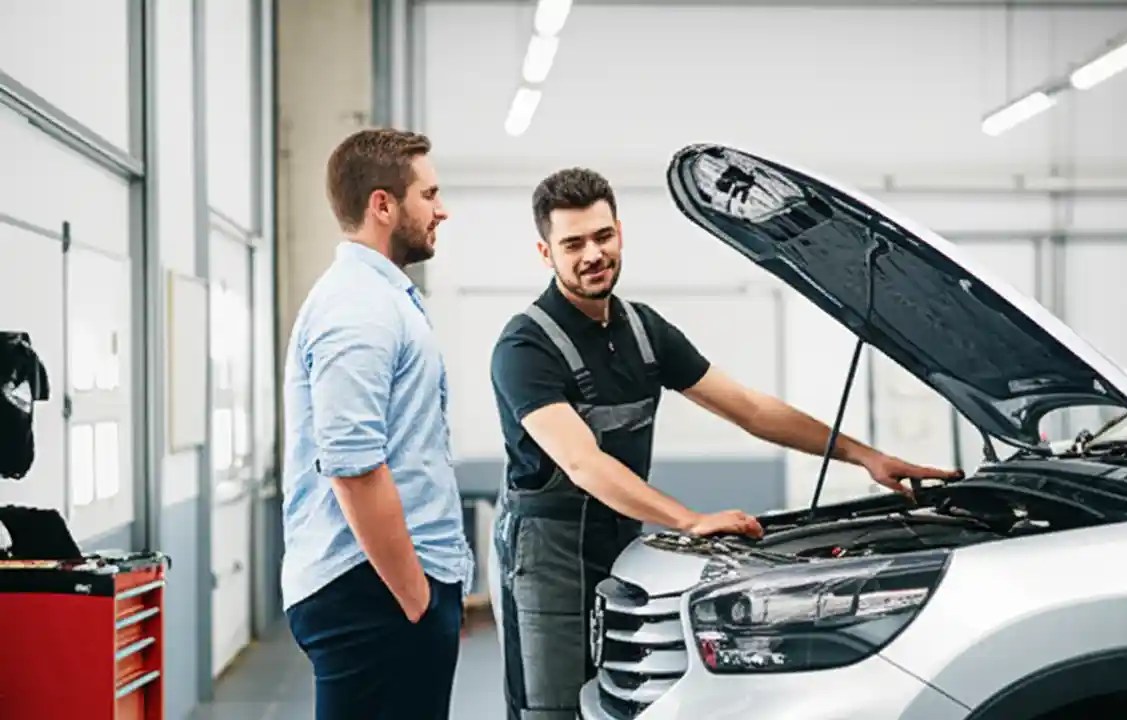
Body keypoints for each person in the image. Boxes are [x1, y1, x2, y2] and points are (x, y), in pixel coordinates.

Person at [487, 167, 962, 719]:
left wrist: (865, 455)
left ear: (620, 230)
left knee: (621, 701)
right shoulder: (525, 346)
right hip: (546, 556)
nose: (592, 254)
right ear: (546, 253)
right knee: (551, 709)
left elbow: (751, 409)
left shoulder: (645, 331)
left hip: (620, 542)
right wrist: (687, 519)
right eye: (573, 243)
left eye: (602, 236)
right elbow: (582, 462)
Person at [280, 128, 474, 720]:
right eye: (429, 194)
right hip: (373, 592)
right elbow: (354, 466)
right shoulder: (357, 308)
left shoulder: (381, 296)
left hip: (383, 588)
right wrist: (416, 597)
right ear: (383, 205)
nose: (441, 210)